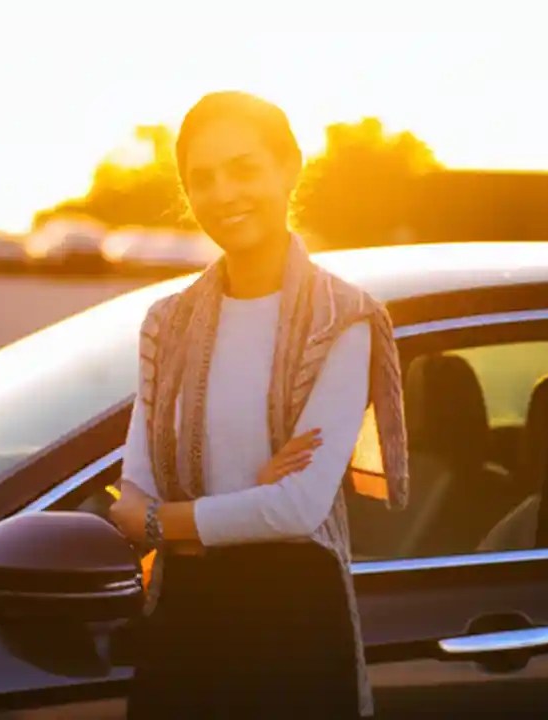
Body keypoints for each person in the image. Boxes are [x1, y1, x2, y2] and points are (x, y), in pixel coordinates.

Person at [108, 91, 410, 719]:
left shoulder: (342, 319)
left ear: (290, 168)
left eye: (244, 168)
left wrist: (172, 522)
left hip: (291, 632)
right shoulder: (165, 325)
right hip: (184, 629)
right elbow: (129, 500)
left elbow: (297, 509)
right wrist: (246, 502)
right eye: (203, 179)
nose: (224, 194)